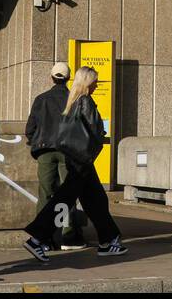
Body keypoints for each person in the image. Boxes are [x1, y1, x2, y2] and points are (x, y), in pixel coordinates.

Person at [23, 66, 127, 261]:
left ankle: (108, 241)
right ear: (88, 82)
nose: (97, 84)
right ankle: (36, 239)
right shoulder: (85, 101)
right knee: (65, 199)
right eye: (95, 81)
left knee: (94, 201)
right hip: (81, 161)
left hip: (76, 160)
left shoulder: (74, 100)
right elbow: (93, 132)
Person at [26, 62, 86, 250]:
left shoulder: (41, 99)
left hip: (44, 151)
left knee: (45, 193)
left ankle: (43, 239)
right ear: (68, 79)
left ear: (51, 78)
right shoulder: (75, 99)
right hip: (67, 152)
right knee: (67, 193)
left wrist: (35, 142)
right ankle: (68, 237)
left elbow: (30, 129)